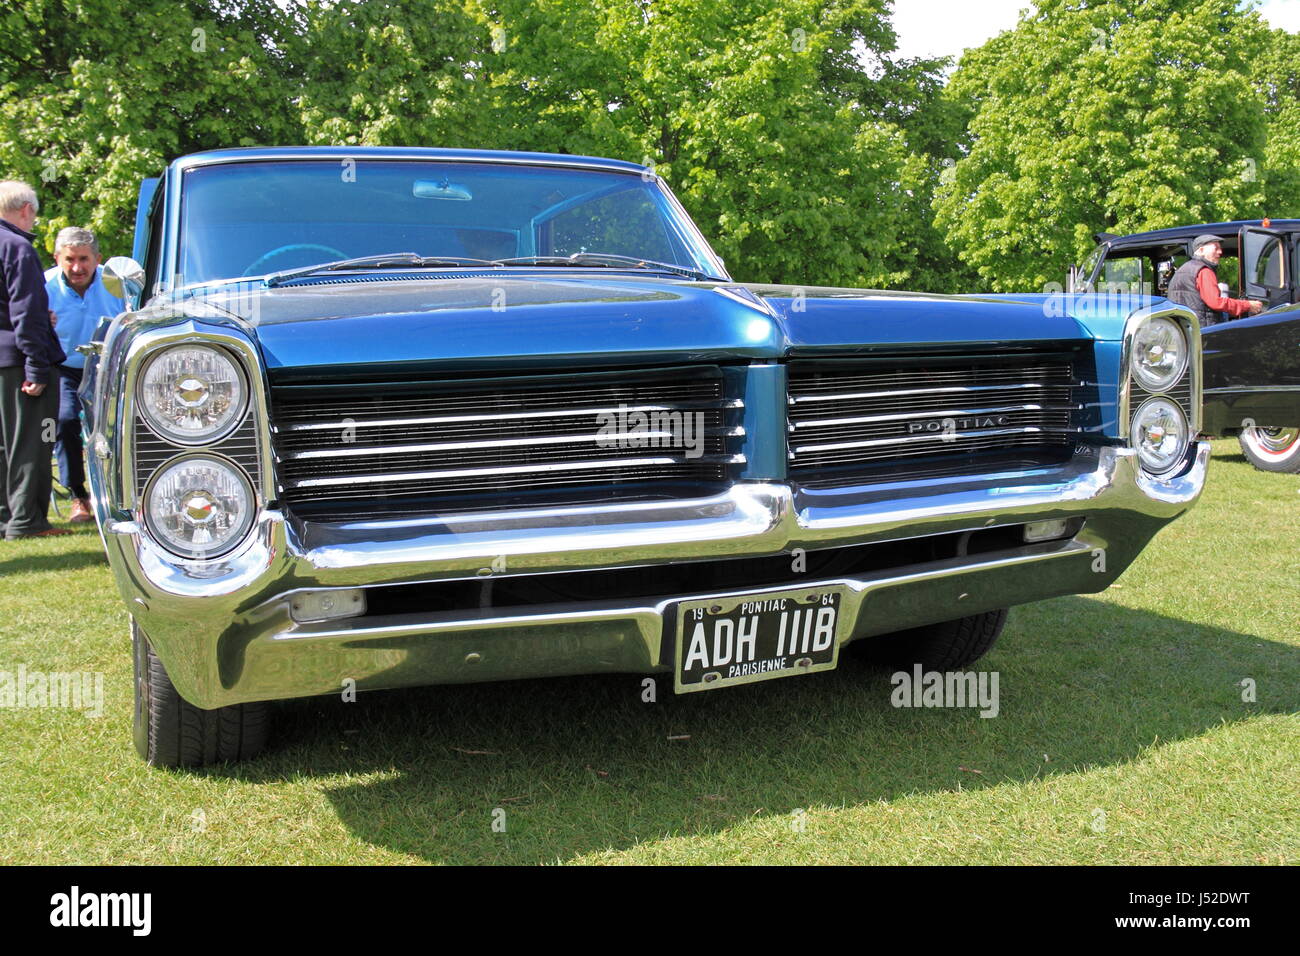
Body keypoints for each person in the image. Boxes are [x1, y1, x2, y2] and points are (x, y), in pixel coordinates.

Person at [0, 180, 69, 539]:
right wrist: (37, 366)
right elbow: (24, 311)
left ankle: (4, 515)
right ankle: (27, 520)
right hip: (17, 359)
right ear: (26, 209)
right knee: (33, 441)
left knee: (2, 444)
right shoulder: (17, 247)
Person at [45, 227, 122, 522]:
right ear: (57, 258)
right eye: (70, 259)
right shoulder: (44, 286)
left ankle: (122, 493)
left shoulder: (116, 282)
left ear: (97, 258)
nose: (77, 267)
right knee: (63, 421)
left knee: (118, 424)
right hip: (65, 367)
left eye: (84, 259)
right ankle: (79, 496)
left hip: (107, 365)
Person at [1165, 234, 1264, 327]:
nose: (1220, 252)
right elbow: (1215, 302)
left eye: (1220, 248)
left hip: (1186, 329)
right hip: (1204, 330)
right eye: (1216, 248)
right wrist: (1247, 305)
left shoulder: (1184, 269)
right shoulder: (1203, 270)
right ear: (1201, 250)